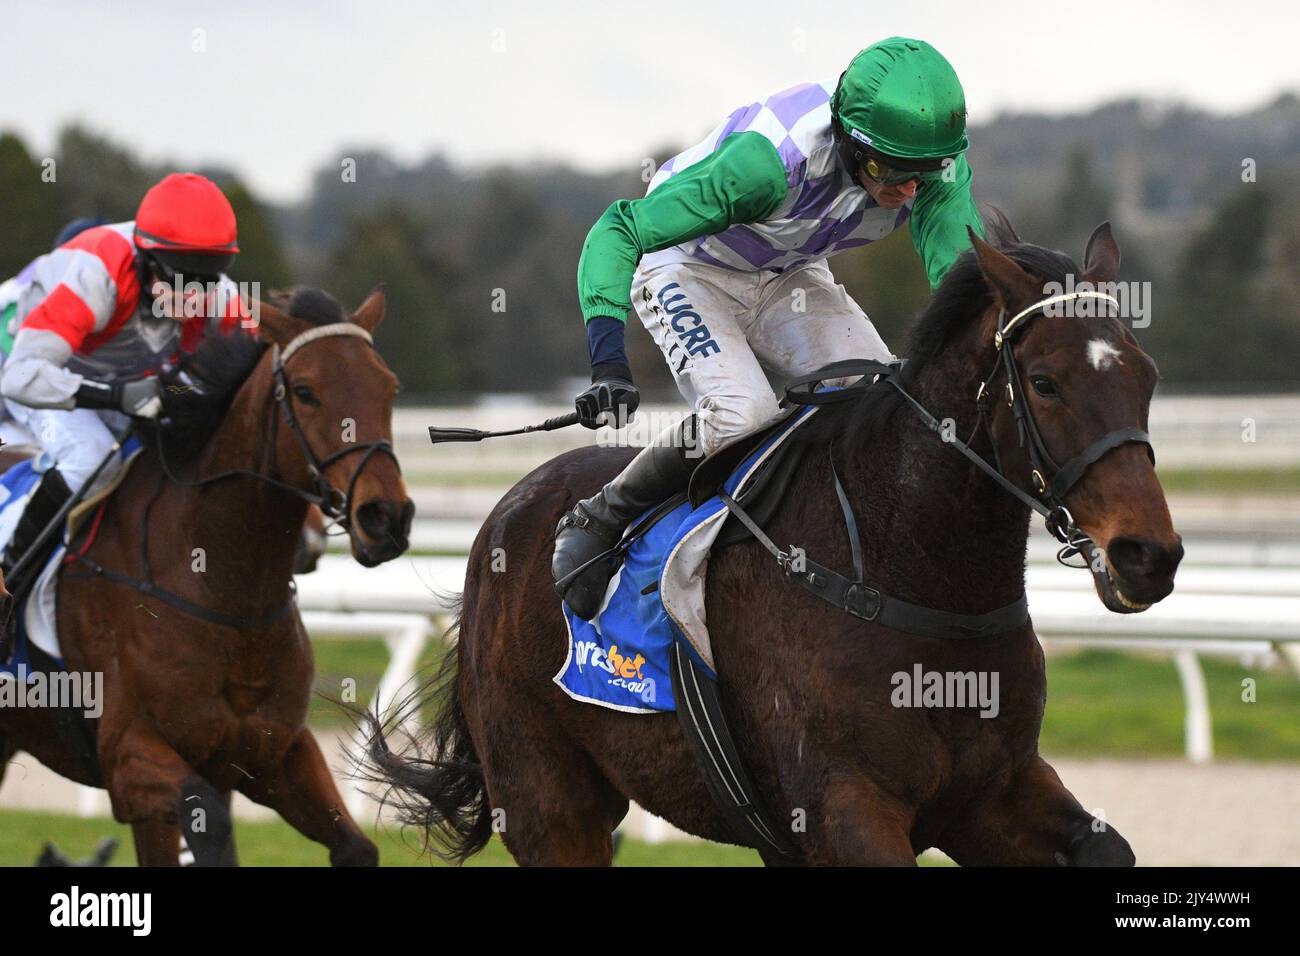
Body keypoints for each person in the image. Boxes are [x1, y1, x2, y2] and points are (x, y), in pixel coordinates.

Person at [553, 37, 986, 619]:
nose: (910, 190)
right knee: (741, 413)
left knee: (881, 403)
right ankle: (603, 514)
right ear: (852, 143)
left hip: (785, 272)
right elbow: (618, 230)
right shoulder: (765, 166)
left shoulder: (931, 166)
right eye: (892, 172)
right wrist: (608, 360)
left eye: (923, 174)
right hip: (685, 265)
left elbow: (964, 284)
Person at [0, 172, 245, 599]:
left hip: (114, 373)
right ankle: (10, 580)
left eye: (205, 282)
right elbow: (21, 377)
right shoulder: (99, 270)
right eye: (183, 282)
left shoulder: (218, 293)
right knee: (90, 455)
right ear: (147, 259)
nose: (195, 300)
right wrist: (116, 398)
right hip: (31, 368)